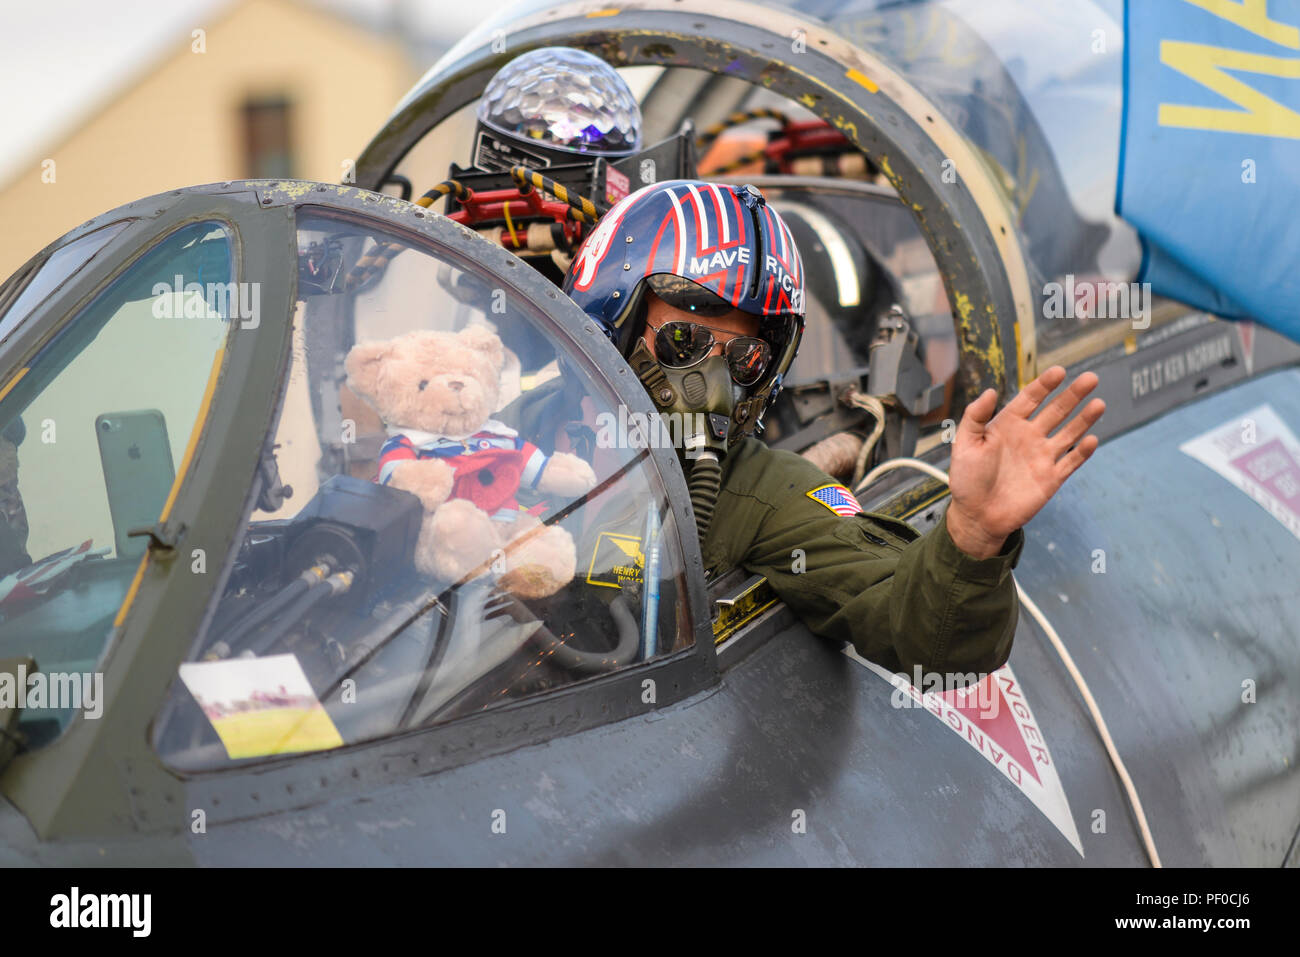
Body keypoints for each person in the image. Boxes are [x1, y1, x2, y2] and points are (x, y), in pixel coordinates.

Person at [562, 179, 1104, 678]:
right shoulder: (500, 415)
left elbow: (922, 635)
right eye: (686, 341)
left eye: (745, 357)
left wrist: (975, 536)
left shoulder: (759, 494)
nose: (714, 383)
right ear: (617, 319)